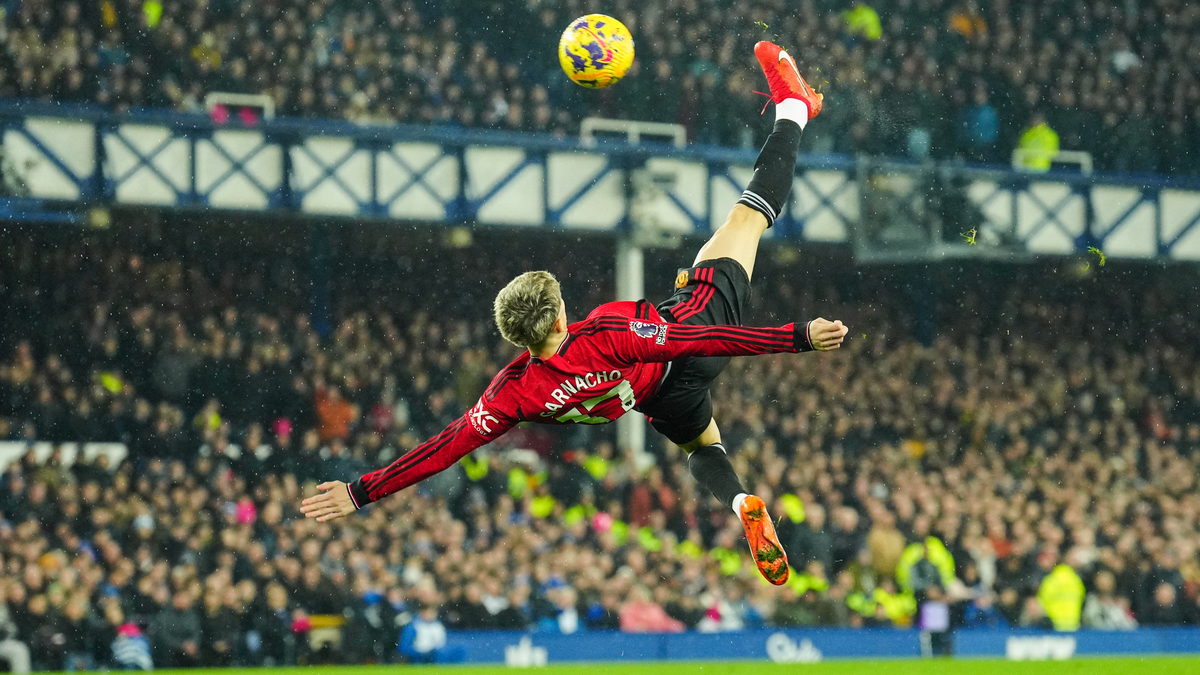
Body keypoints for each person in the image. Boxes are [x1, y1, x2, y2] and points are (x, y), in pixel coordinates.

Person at [301, 41, 847, 586]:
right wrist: (797, 336)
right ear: (561, 318)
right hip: (689, 336)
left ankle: (740, 501)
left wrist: (360, 491)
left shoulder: (512, 392)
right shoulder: (605, 331)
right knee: (746, 220)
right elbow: (690, 344)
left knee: (703, 445)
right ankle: (793, 109)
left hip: (658, 400)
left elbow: (442, 449)